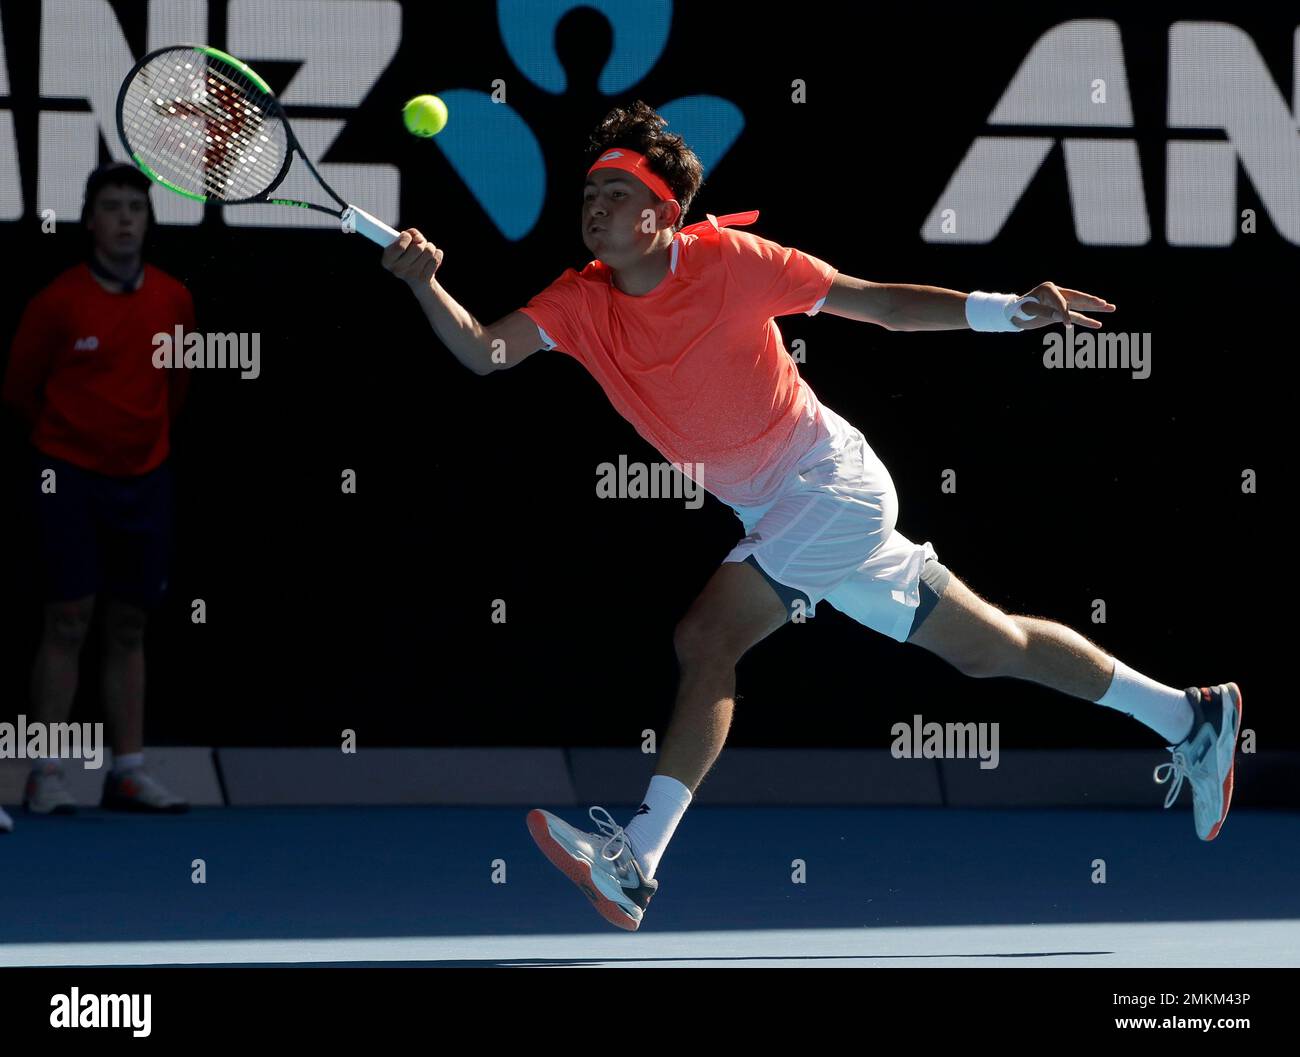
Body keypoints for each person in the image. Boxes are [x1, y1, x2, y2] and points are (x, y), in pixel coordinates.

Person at [379, 101, 1242, 931]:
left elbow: (881, 303)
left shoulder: (733, 262)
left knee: (706, 638)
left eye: (617, 197)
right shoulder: (578, 300)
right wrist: (427, 286)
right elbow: (486, 352)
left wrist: (1005, 311)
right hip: (777, 505)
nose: (595, 210)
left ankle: (637, 856)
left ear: (662, 214)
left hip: (833, 482)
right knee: (992, 649)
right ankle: (1188, 715)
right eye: (588, 196)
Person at [3, 162, 194, 819]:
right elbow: (20, 391)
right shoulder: (56, 302)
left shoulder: (173, 298)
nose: (124, 219)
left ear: (148, 220)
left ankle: (129, 771)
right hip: (69, 475)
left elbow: (176, 390)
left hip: (146, 477)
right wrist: (73, 450)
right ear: (89, 221)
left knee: (131, 623)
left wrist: (137, 450)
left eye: (135, 209)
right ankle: (46, 773)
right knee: (67, 619)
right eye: (111, 208)